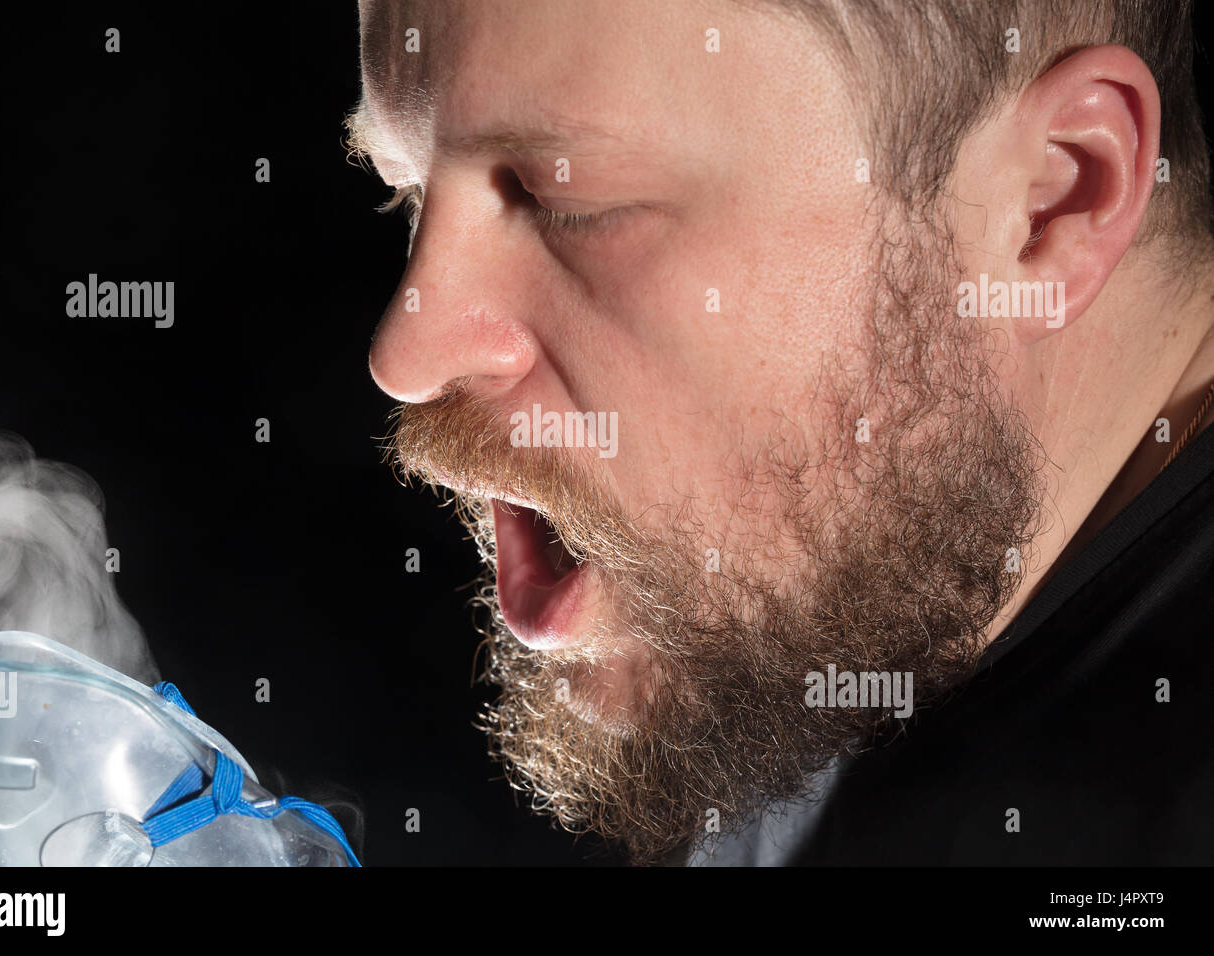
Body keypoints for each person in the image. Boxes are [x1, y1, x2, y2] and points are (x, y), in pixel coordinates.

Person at [347, 0, 1214, 864]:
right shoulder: (838, 610)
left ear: (1052, 206)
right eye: (406, 192)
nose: (405, 357)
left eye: (570, 201)